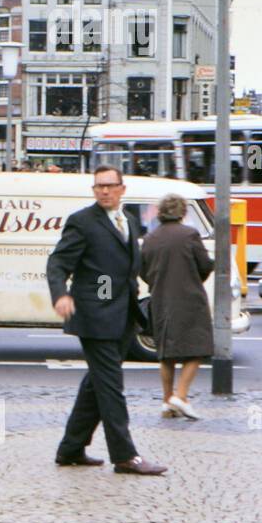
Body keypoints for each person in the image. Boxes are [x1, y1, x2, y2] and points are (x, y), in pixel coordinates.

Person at [47, 165, 166, 475]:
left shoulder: (128, 220)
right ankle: (125, 456)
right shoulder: (82, 222)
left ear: (122, 189)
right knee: (111, 386)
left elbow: (128, 266)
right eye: (98, 186)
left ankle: (70, 448)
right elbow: (58, 262)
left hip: (124, 314)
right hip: (94, 316)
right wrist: (60, 294)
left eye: (110, 186)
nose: (104, 191)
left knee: (96, 384)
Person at [142, 193, 214, 421]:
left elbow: (142, 270)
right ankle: (181, 396)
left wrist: (157, 284)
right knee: (199, 348)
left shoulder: (151, 238)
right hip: (189, 299)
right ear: (183, 213)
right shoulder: (189, 234)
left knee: (166, 354)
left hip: (160, 299)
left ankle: (166, 401)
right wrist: (196, 276)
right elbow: (204, 264)